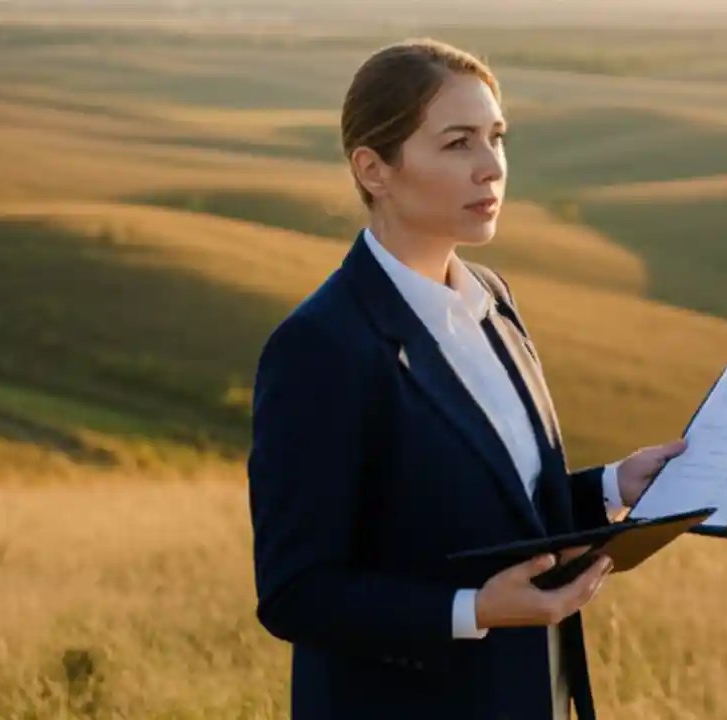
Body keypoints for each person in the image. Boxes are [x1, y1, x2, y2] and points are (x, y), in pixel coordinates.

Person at [247, 38, 688, 720]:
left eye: (496, 137)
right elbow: (296, 591)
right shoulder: (320, 346)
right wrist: (471, 610)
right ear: (374, 169)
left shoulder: (492, 298)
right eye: (457, 144)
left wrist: (610, 487)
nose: (491, 168)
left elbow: (490, 513)